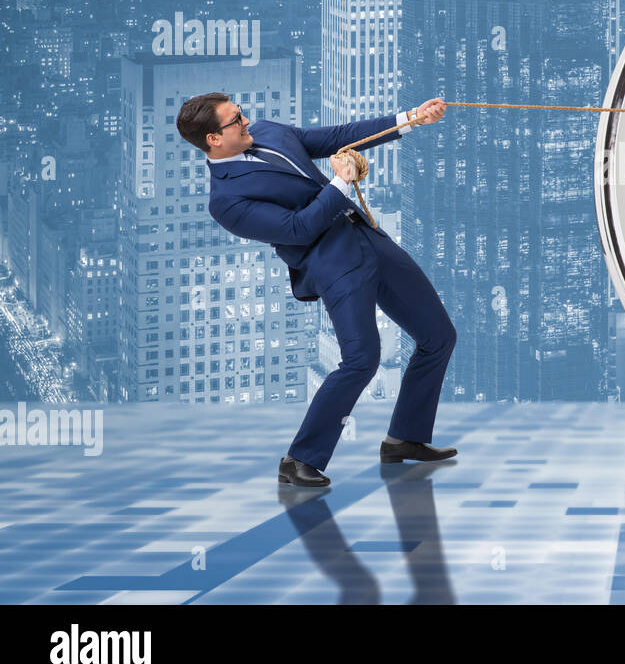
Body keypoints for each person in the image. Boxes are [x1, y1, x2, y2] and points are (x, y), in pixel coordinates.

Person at [175, 93, 457, 487]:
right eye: (235, 120)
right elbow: (298, 229)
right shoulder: (226, 201)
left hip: (366, 237)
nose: (247, 121)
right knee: (362, 359)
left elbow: (338, 137)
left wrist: (411, 118)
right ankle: (299, 460)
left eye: (240, 113)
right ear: (213, 140)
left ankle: (405, 438)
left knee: (439, 336)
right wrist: (342, 181)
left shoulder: (268, 132)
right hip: (332, 264)